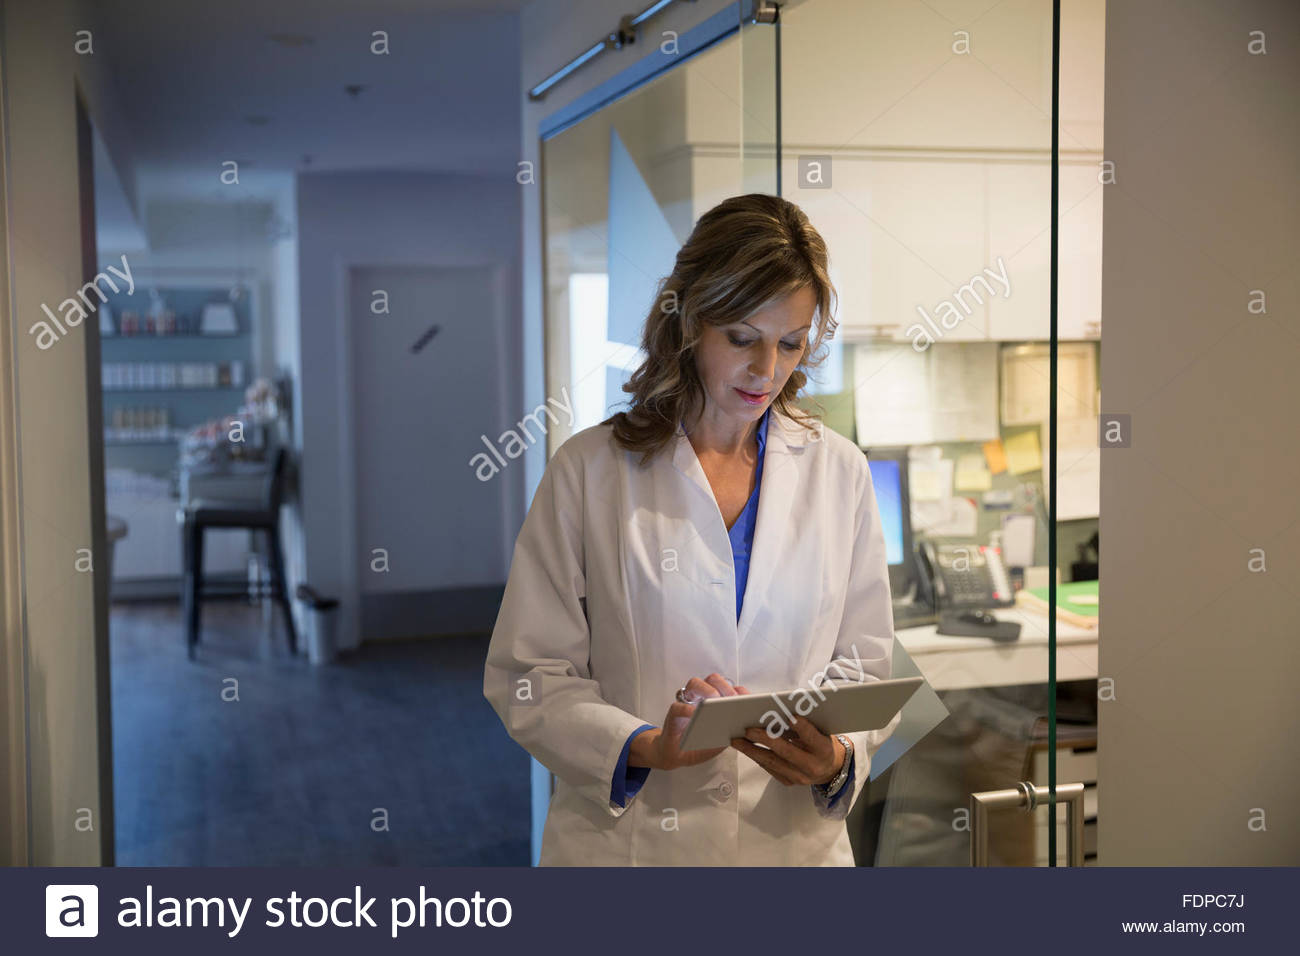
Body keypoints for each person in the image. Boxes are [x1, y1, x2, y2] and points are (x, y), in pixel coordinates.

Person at [483, 193, 900, 865]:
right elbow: (529, 673)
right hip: (634, 851)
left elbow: (867, 664)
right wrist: (646, 746)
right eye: (742, 339)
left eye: (791, 344)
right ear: (689, 321)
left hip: (790, 848)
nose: (767, 370)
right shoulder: (590, 471)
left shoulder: (839, 471)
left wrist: (836, 758)